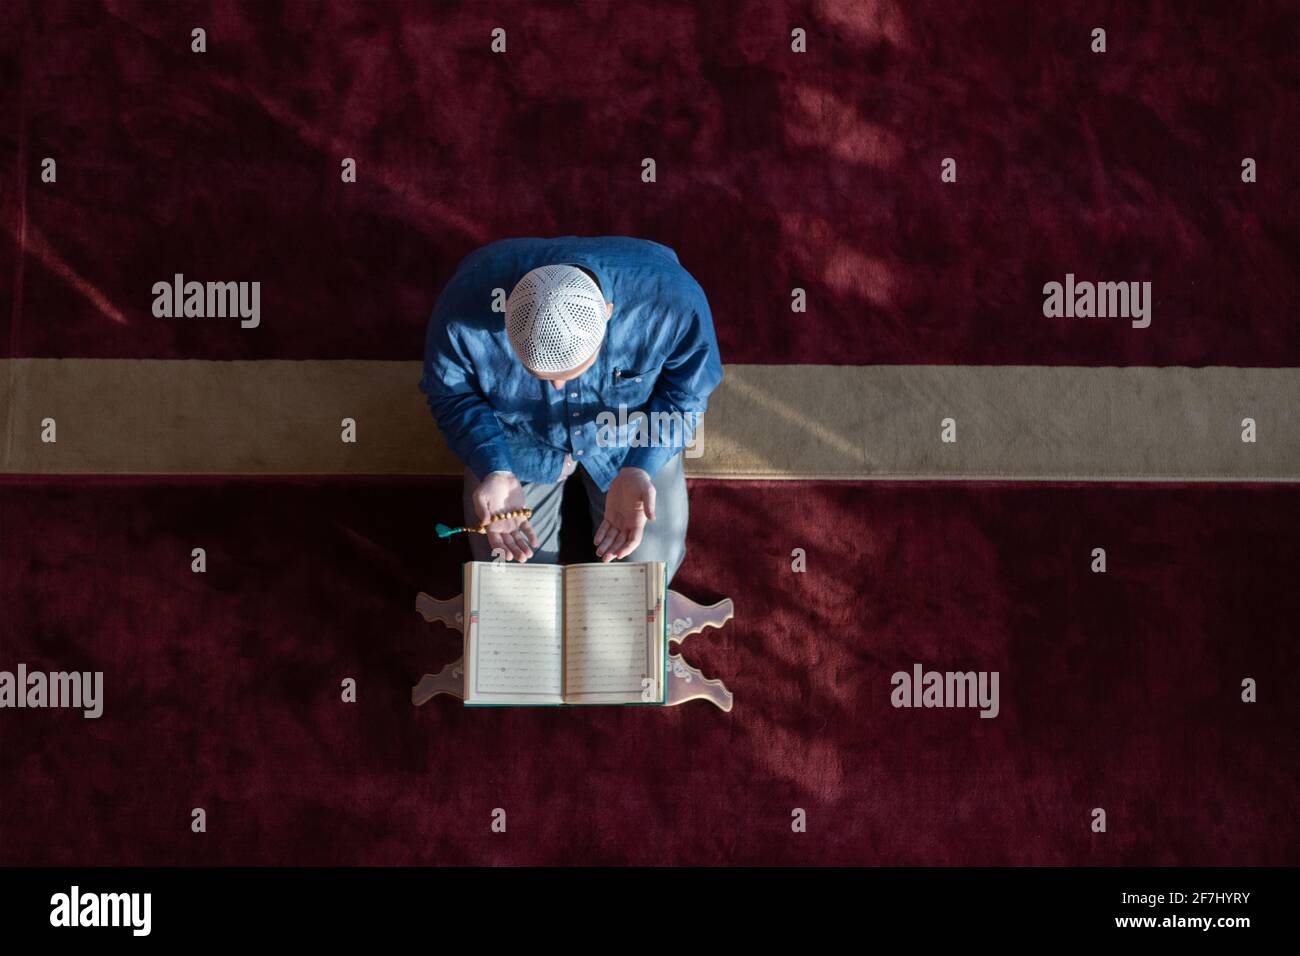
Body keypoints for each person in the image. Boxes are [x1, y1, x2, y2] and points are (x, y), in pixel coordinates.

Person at [420, 236, 722, 583]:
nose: (557, 388)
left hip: (626, 436)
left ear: (608, 313)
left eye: (572, 372)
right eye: (538, 376)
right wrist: (493, 467)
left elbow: (685, 395)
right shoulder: (463, 304)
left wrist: (642, 466)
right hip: (519, 442)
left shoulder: (672, 302)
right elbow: (452, 395)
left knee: (650, 572)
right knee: (506, 578)